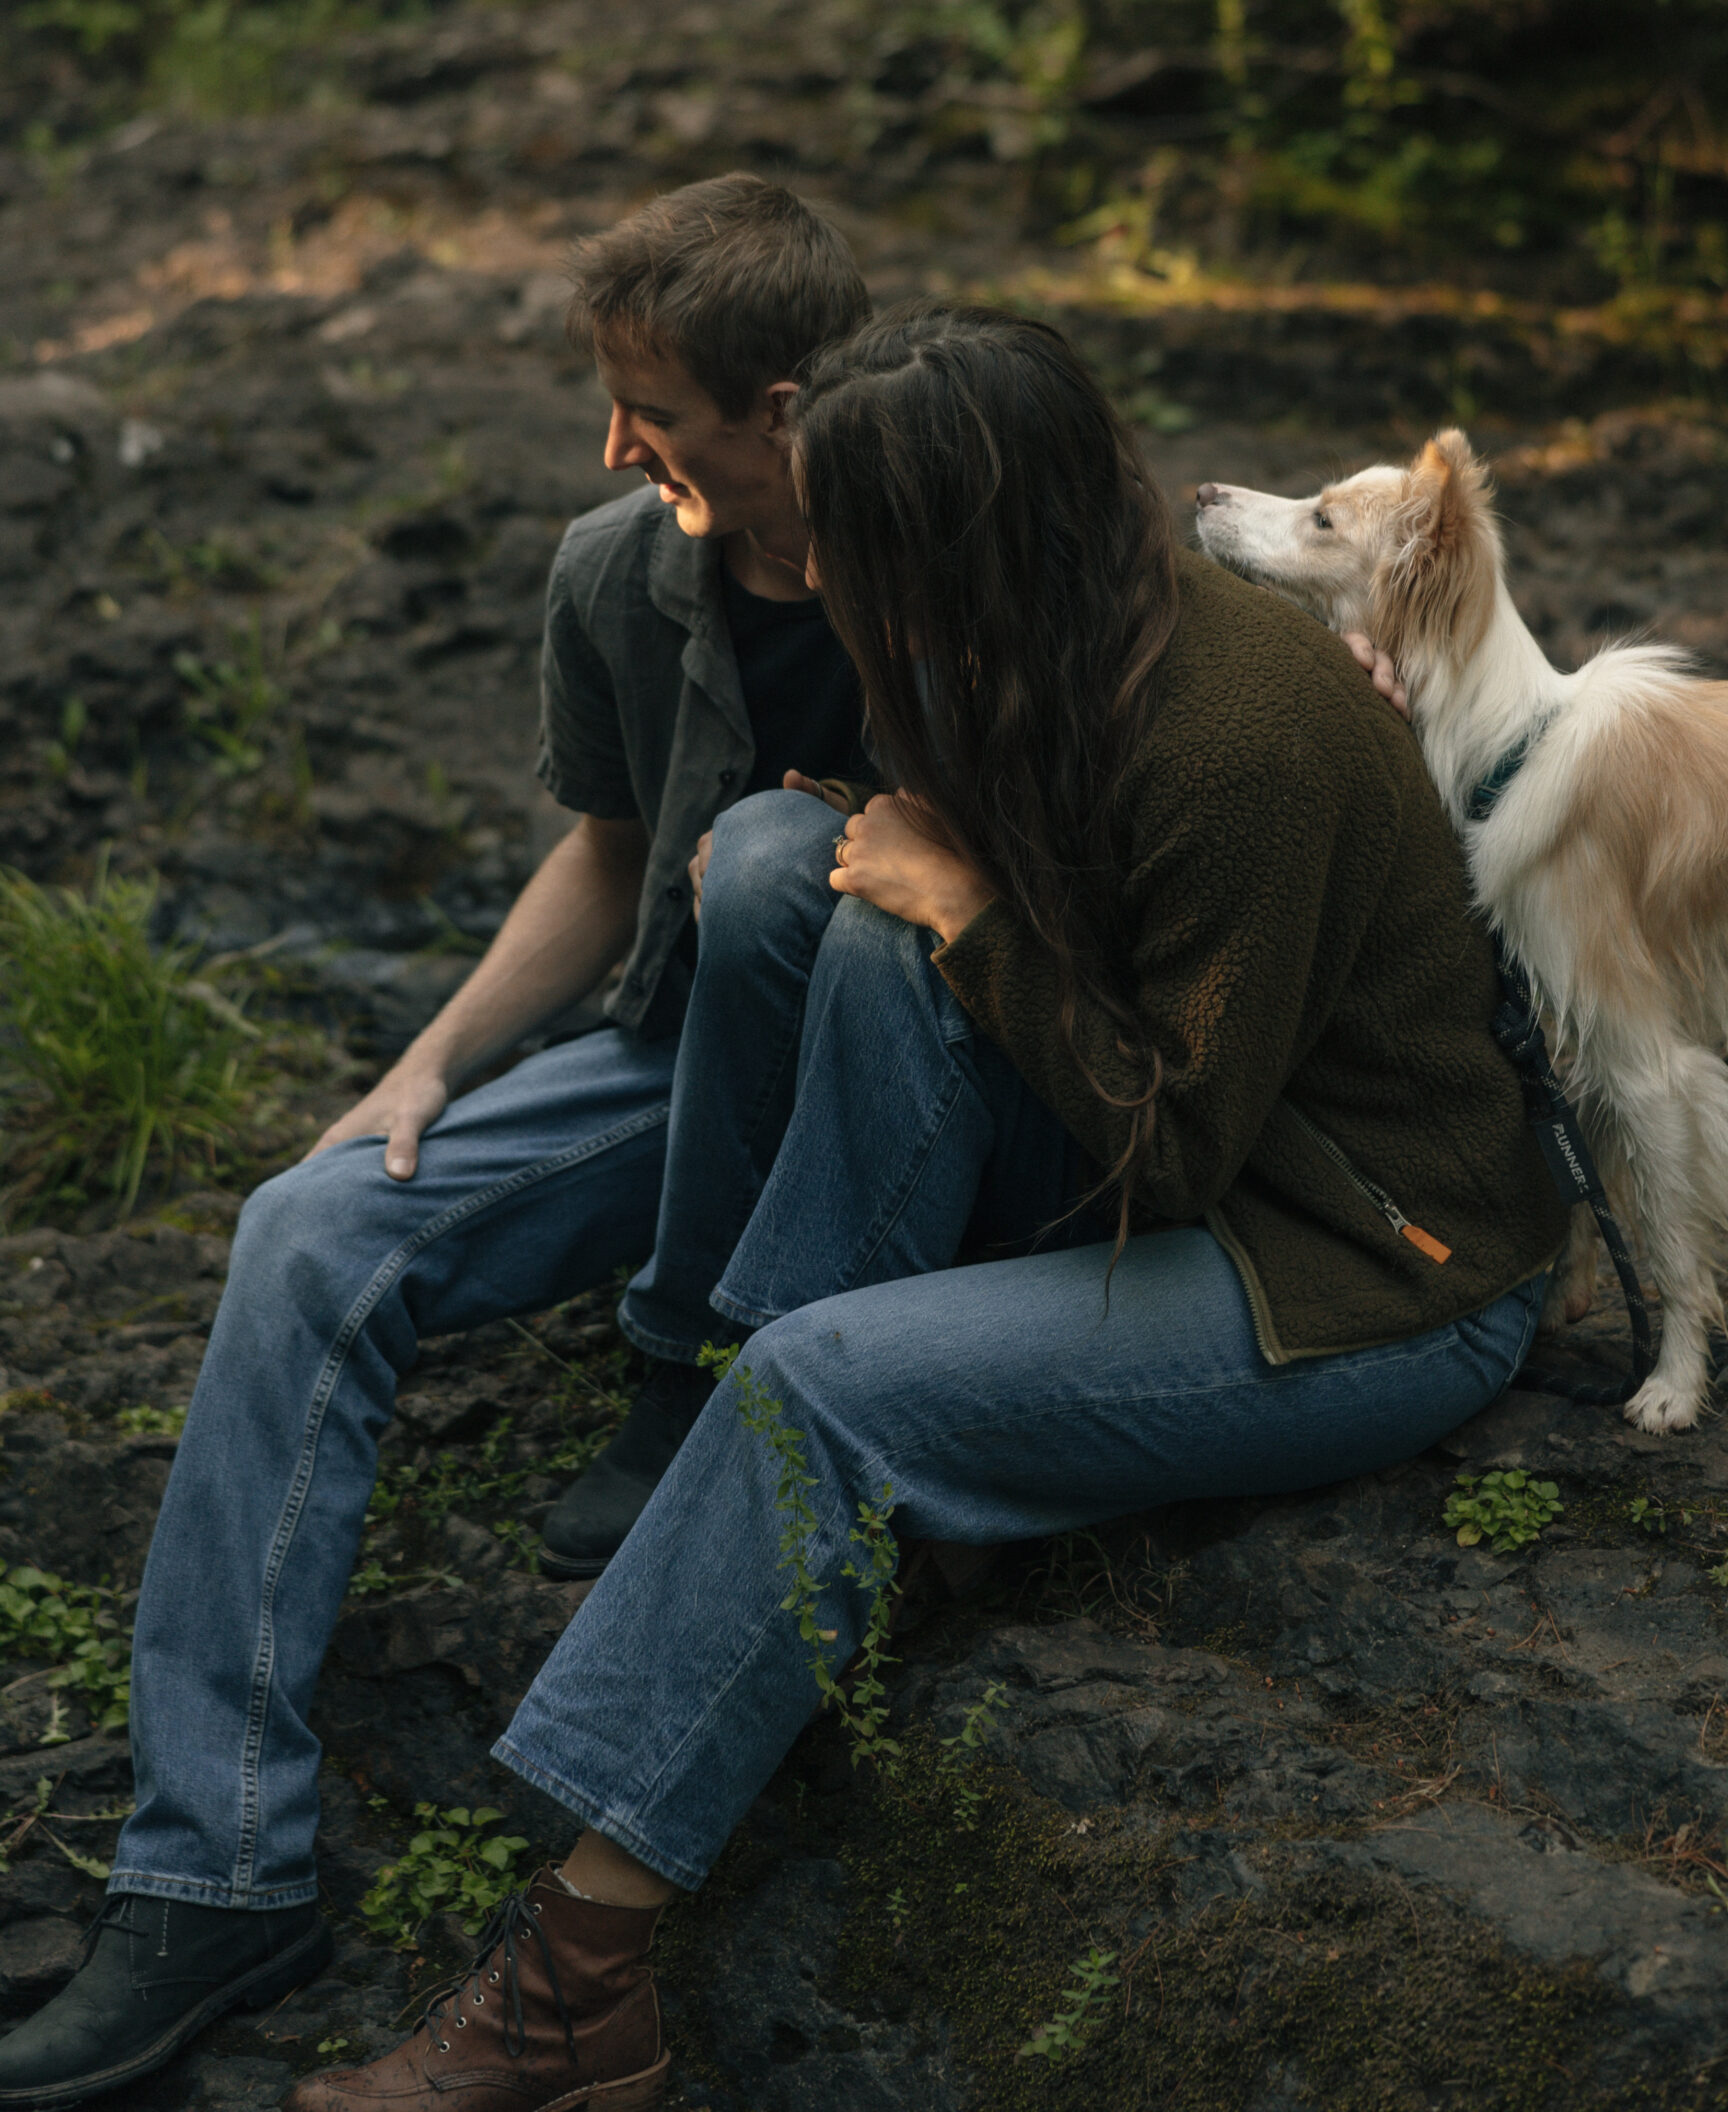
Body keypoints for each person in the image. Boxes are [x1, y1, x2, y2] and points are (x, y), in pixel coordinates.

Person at [269, 305, 1571, 2112]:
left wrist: (967, 910)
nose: (812, 572)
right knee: (841, 912)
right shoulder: (1019, 647)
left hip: (1360, 1260)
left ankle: (580, 1988)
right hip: (1174, 1165)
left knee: (829, 1388)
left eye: (844, 542)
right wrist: (885, 874)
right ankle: (782, 1492)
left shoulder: (1242, 737)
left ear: (950, 543)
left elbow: (1180, 1144)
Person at [0, 174, 877, 2112]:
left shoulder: (969, 546)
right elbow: (610, 852)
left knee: (774, 867)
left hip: (905, 1116)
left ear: (790, 402)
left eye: (650, 403)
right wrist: (429, 1064)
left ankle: (693, 1361)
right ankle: (208, 1869)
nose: (611, 442)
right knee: (308, 1224)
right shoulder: (616, 568)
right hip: (671, 1071)